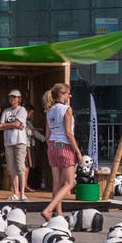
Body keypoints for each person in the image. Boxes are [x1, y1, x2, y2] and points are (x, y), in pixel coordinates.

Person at [41, 83, 81, 220]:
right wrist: (78, 152)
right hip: (65, 145)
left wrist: (53, 145)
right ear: (61, 94)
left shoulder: (49, 110)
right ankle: (48, 210)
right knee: (69, 183)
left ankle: (58, 215)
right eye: (68, 93)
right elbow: (69, 133)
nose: (70, 95)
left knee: (56, 184)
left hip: (52, 145)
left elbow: (47, 135)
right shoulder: (67, 109)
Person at [0, 89, 30, 201]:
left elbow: (13, 124)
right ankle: (15, 192)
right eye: (11, 97)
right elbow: (0, 126)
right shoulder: (6, 111)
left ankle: (22, 192)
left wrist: (6, 125)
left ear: (19, 99)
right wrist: (14, 125)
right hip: (8, 142)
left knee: (21, 166)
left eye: (14, 97)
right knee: (11, 168)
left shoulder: (22, 110)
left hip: (20, 141)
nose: (12, 99)